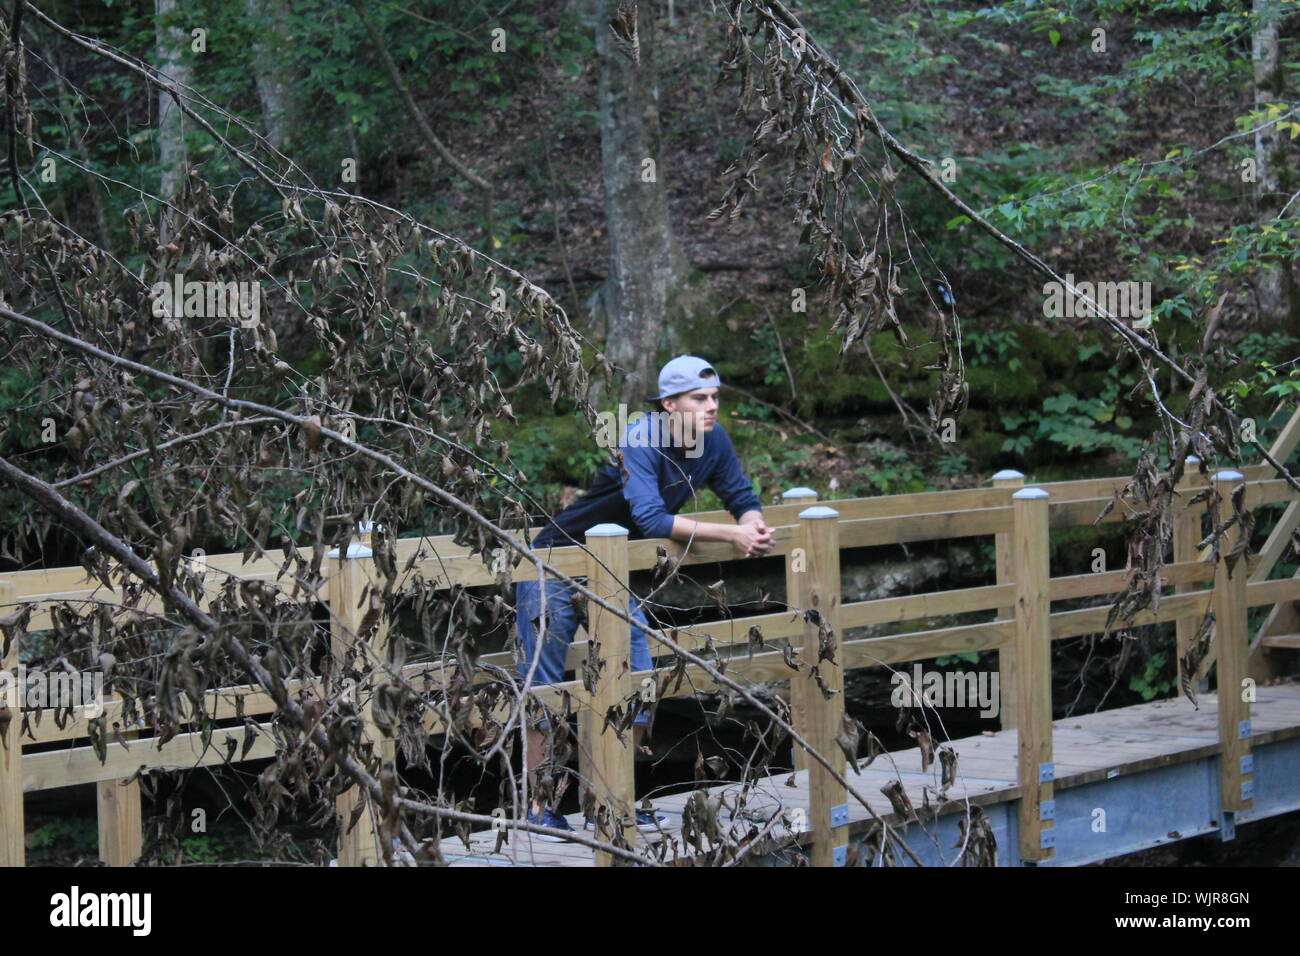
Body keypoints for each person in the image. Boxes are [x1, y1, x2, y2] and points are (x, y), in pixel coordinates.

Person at [515, 355, 774, 838]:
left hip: (610, 570)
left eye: (715, 397)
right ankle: (539, 807)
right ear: (670, 404)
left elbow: (741, 494)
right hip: (555, 562)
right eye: (700, 399)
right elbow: (652, 519)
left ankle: (611, 801)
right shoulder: (641, 438)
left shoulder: (714, 440)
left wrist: (751, 524)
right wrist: (730, 536)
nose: (711, 406)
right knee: (547, 691)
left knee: (641, 682)